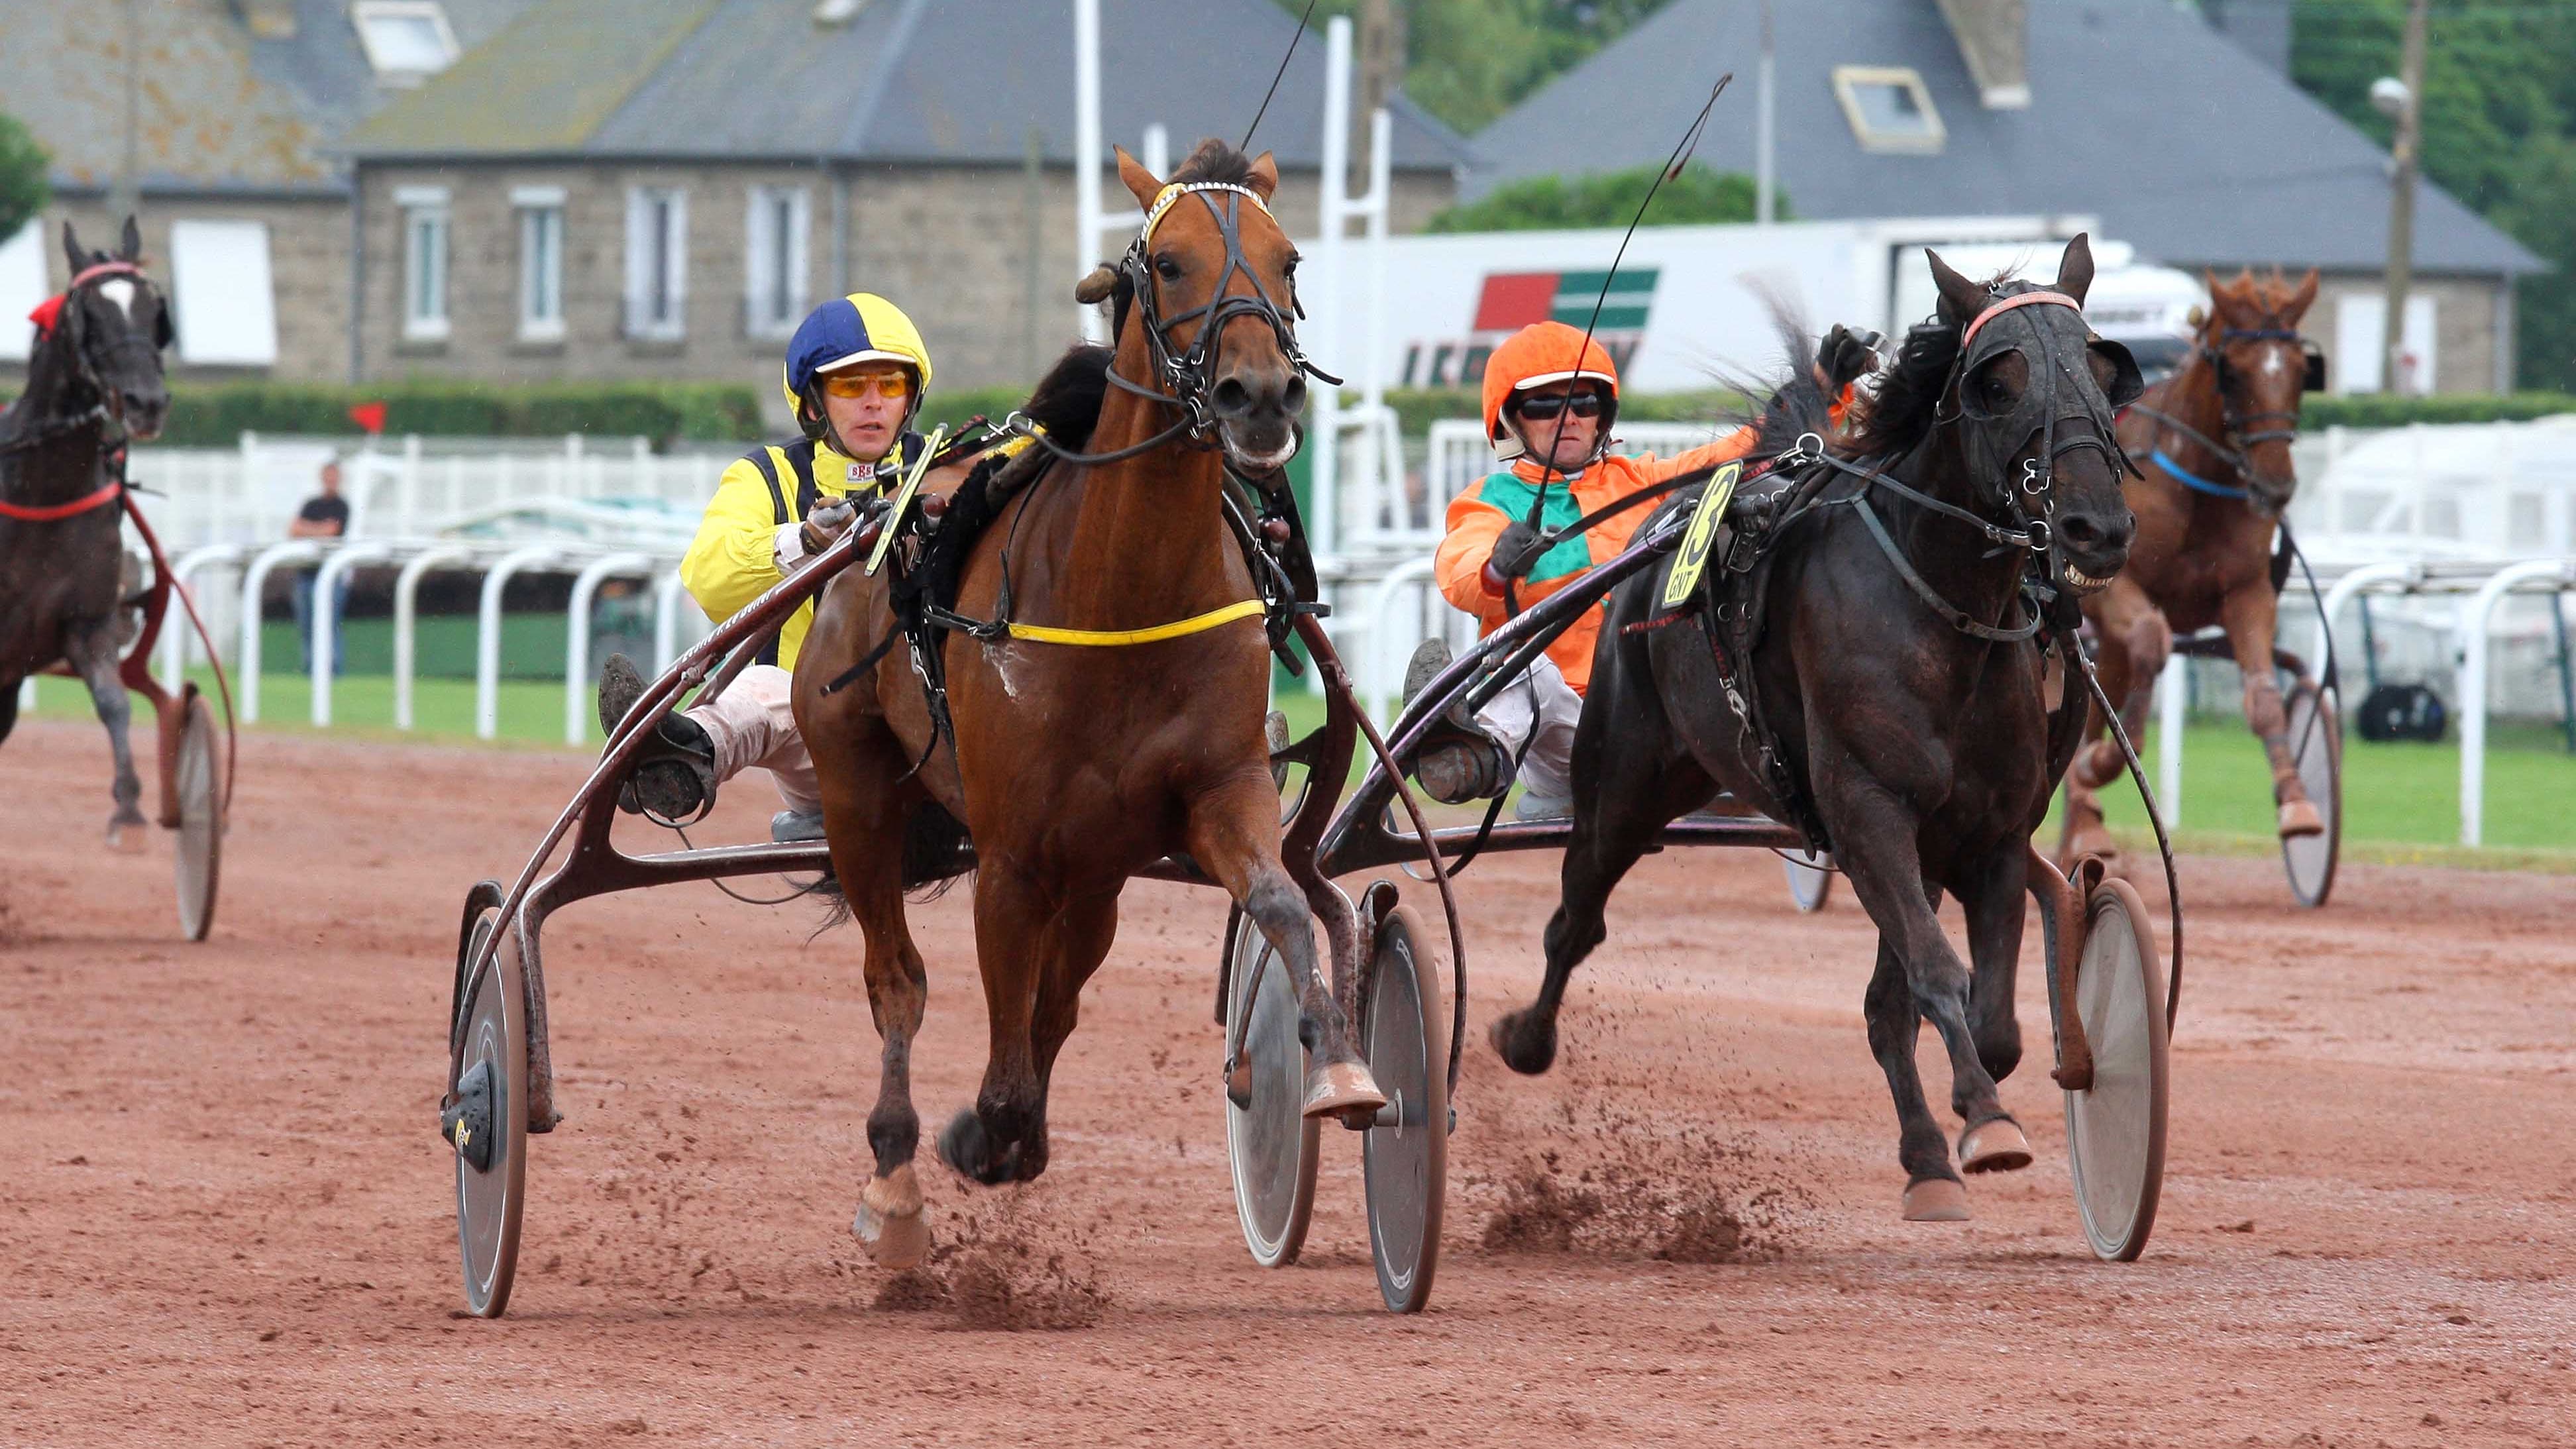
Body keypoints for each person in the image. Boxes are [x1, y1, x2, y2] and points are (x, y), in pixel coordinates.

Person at [1411, 320, 1862, 819]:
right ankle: (1470, 760)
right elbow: (1461, 570)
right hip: (1573, 735)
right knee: (1520, 664)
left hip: (1666, 724)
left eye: (1584, 403)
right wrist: (1498, 564)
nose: (1570, 419)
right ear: (1512, 420)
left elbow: (1740, 454)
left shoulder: (1644, 481)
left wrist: (1820, 388)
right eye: (1545, 405)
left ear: (1603, 416)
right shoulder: (1489, 502)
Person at [596, 292, 986, 841]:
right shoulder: (765, 477)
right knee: (767, 688)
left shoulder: (955, 469)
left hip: (951, 737)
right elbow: (709, 577)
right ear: (812, 404)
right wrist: (800, 540)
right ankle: (680, 760)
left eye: (890, 385)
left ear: (911, 397)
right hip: (827, 747)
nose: (873, 402)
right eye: (852, 386)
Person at [290, 457, 350, 674]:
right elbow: (294, 530)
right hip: (306, 574)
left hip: (330, 576)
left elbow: (332, 531)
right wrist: (319, 529)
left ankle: (334, 671)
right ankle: (310, 670)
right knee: (307, 627)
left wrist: (309, 530)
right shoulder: (311, 504)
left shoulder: (342, 506)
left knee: (330, 625)